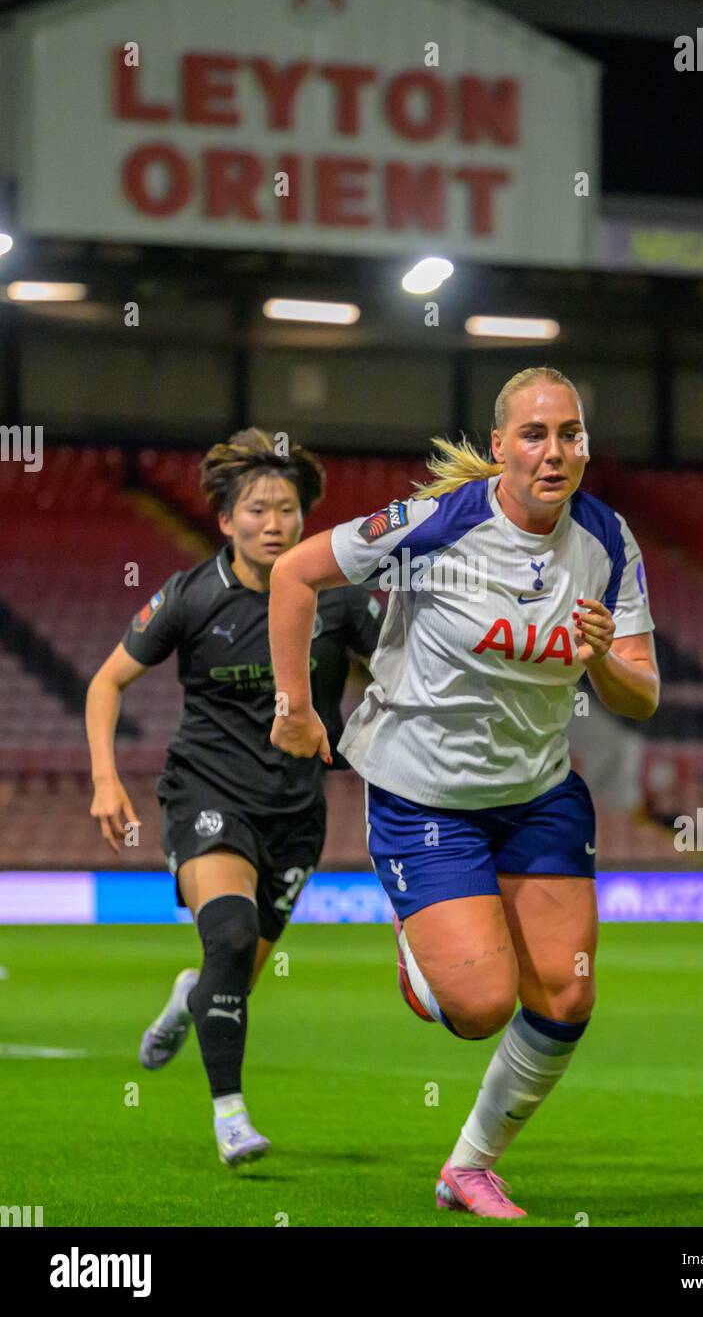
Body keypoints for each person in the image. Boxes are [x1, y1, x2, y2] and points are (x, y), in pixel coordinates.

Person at [268, 366, 660, 1219]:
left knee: (567, 993)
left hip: (539, 791)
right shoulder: (436, 522)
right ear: (499, 449)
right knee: (481, 1007)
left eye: (570, 434)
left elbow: (642, 694)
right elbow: (294, 574)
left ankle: (470, 1166)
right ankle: (425, 958)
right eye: (534, 434)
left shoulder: (608, 540)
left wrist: (599, 657)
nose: (554, 452)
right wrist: (296, 708)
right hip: (424, 796)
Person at [86, 429, 382, 1167]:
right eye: (256, 509)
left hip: (297, 811)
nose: (273, 523)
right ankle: (230, 1116)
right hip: (207, 794)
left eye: (286, 509)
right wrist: (104, 777)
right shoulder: (191, 596)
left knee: (231, 974)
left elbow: (400, 674)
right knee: (229, 938)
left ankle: (194, 992)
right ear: (226, 520)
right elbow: (105, 682)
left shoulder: (338, 604)